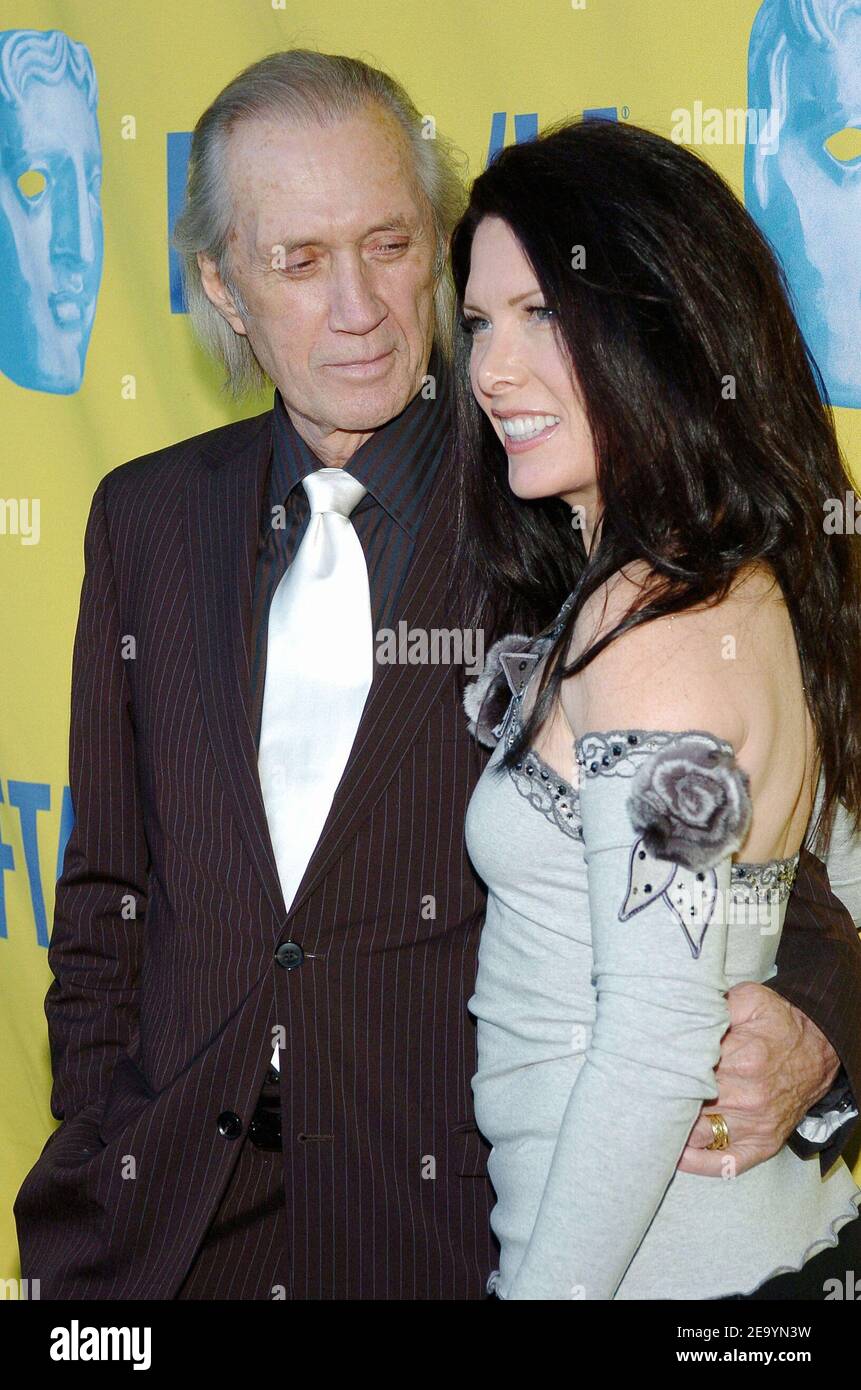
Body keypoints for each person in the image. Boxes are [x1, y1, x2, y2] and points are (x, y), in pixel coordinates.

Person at [13, 53, 861, 1302]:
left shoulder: (555, 506)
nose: (357, 306)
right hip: (165, 1247)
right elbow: (104, 898)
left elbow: (786, 844)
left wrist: (820, 1031)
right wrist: (94, 1165)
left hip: (464, 1246)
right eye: (300, 261)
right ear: (222, 287)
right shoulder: (143, 521)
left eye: (391, 245)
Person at [452, 114, 861, 1300]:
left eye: (542, 316)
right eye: (479, 322)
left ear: (663, 329)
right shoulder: (734, 584)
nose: (491, 368)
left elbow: (650, 1035)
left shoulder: (658, 614)